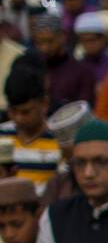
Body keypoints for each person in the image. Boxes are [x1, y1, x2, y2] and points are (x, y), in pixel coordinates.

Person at [2, 60, 62, 190]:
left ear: (45, 104)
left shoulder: (59, 140)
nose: (18, 118)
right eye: (13, 111)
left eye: (26, 112)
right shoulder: (1, 136)